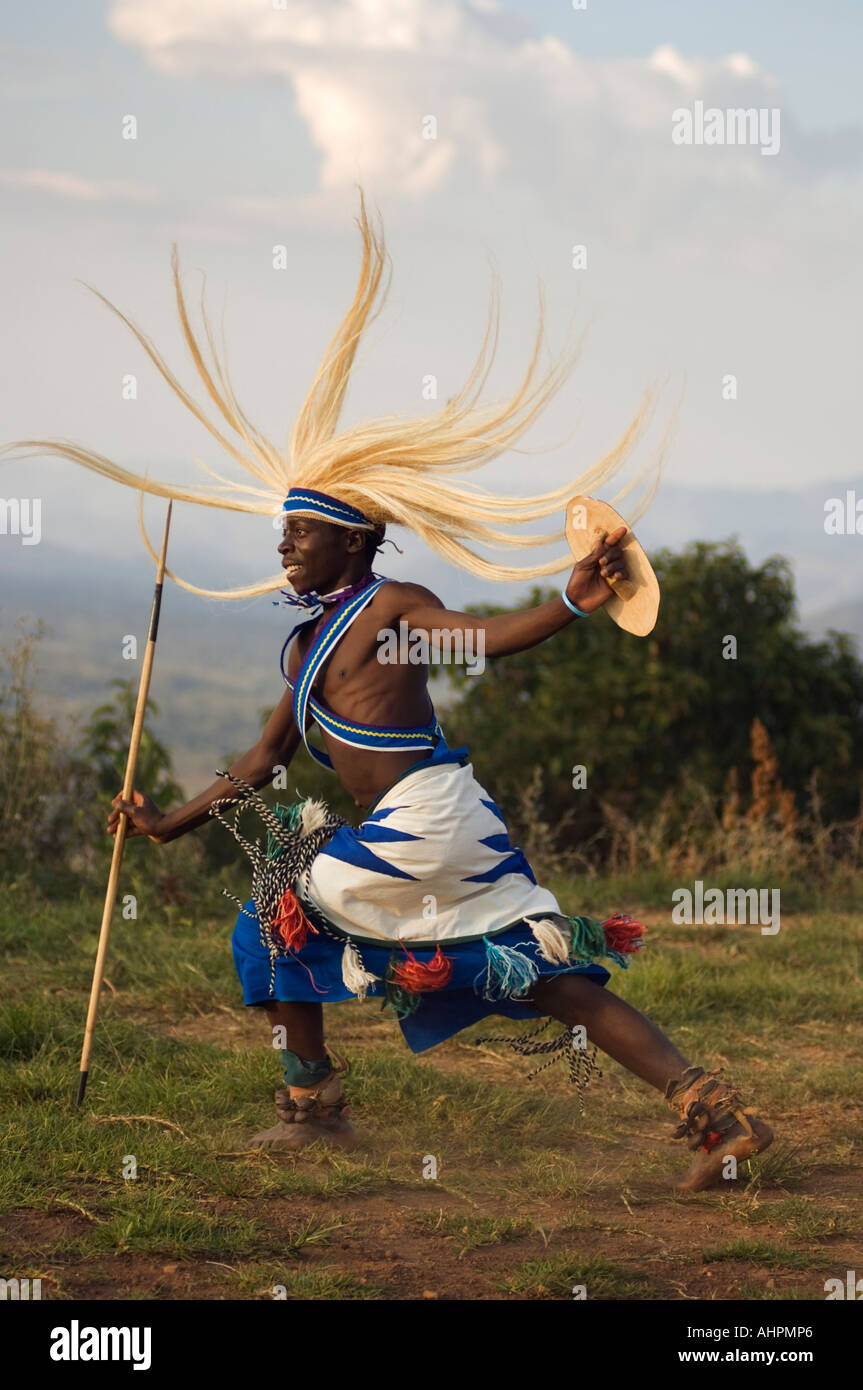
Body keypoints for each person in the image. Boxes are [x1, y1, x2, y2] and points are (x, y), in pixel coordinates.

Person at [10, 189, 773, 1191]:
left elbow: (484, 641)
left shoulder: (392, 607)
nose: (282, 542)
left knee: (277, 905)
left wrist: (570, 602)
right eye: (281, 528)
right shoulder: (309, 642)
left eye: (302, 529)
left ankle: (311, 1107)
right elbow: (263, 759)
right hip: (451, 825)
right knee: (547, 978)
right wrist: (166, 824)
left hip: (426, 821)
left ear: (353, 540)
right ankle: (716, 1116)